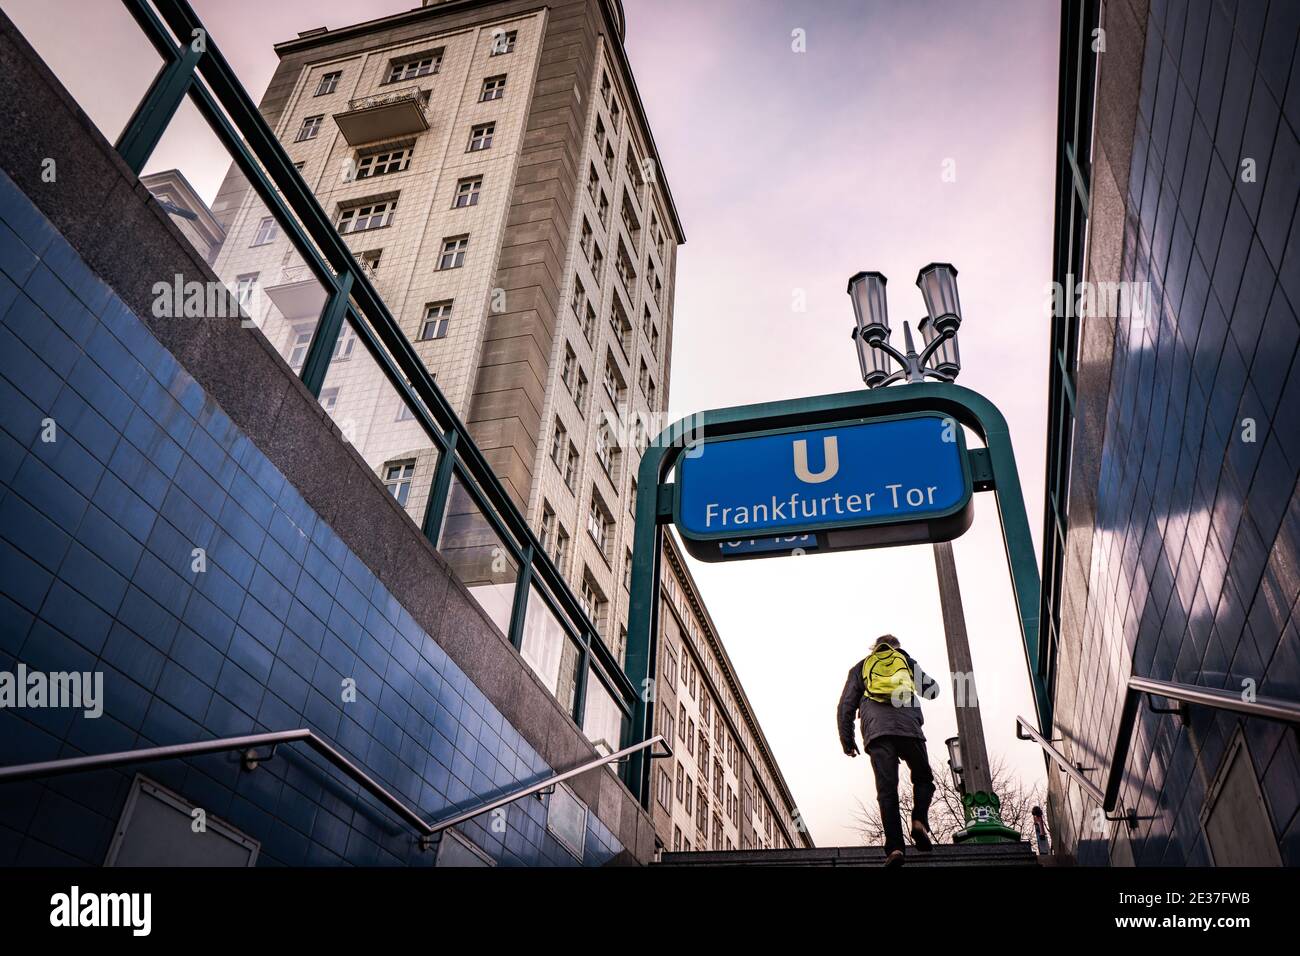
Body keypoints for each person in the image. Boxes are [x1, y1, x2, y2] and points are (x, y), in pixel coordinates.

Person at [837, 633, 940, 866]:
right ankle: (919, 821)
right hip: (909, 729)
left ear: (875, 648)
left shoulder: (861, 667)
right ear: (898, 648)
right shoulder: (905, 662)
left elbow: (845, 706)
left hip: (878, 733)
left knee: (887, 790)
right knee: (923, 778)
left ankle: (895, 848)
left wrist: (848, 741)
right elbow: (932, 691)